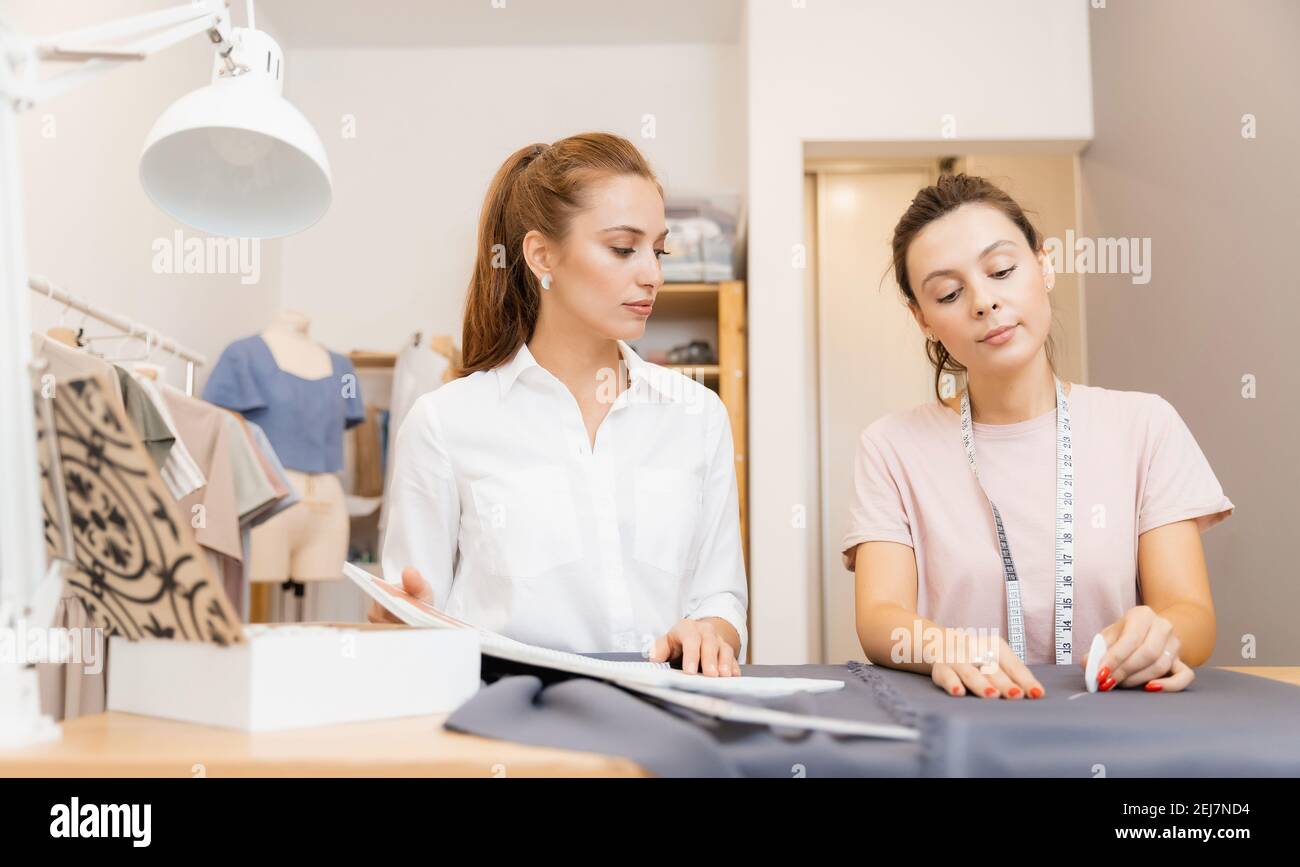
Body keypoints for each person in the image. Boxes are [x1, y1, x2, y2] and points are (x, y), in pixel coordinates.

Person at [372, 133, 748, 677]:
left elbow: (720, 597)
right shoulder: (444, 424)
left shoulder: (698, 415)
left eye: (658, 250)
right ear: (542, 255)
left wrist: (711, 635)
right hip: (502, 723)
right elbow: (414, 620)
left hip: (662, 718)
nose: (654, 275)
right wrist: (398, 627)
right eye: (624, 248)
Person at [844, 173, 1233, 698]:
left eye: (1002, 270)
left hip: (1117, 728)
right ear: (923, 320)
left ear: (1044, 264)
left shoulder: (1145, 426)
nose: (983, 302)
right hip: (964, 732)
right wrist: (942, 646)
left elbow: (1192, 615)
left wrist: (1161, 640)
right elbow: (878, 617)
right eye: (949, 293)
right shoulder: (890, 447)